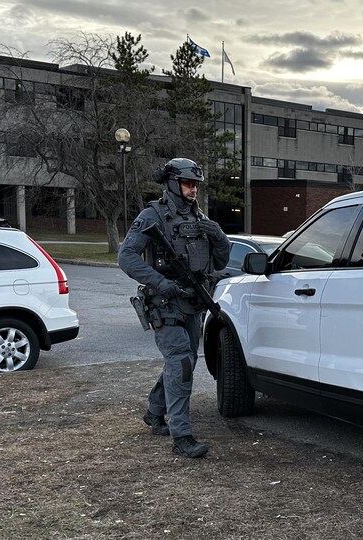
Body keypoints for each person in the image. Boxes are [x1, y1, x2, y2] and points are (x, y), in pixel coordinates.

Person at [118, 157, 230, 458]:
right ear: (172, 183)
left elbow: (219, 262)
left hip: (193, 303)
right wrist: (160, 281)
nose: (193, 189)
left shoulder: (201, 218)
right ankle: (182, 436)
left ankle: (155, 411)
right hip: (165, 302)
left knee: (185, 361)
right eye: (188, 183)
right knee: (180, 361)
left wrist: (218, 235)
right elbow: (126, 257)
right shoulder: (152, 215)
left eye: (196, 184)